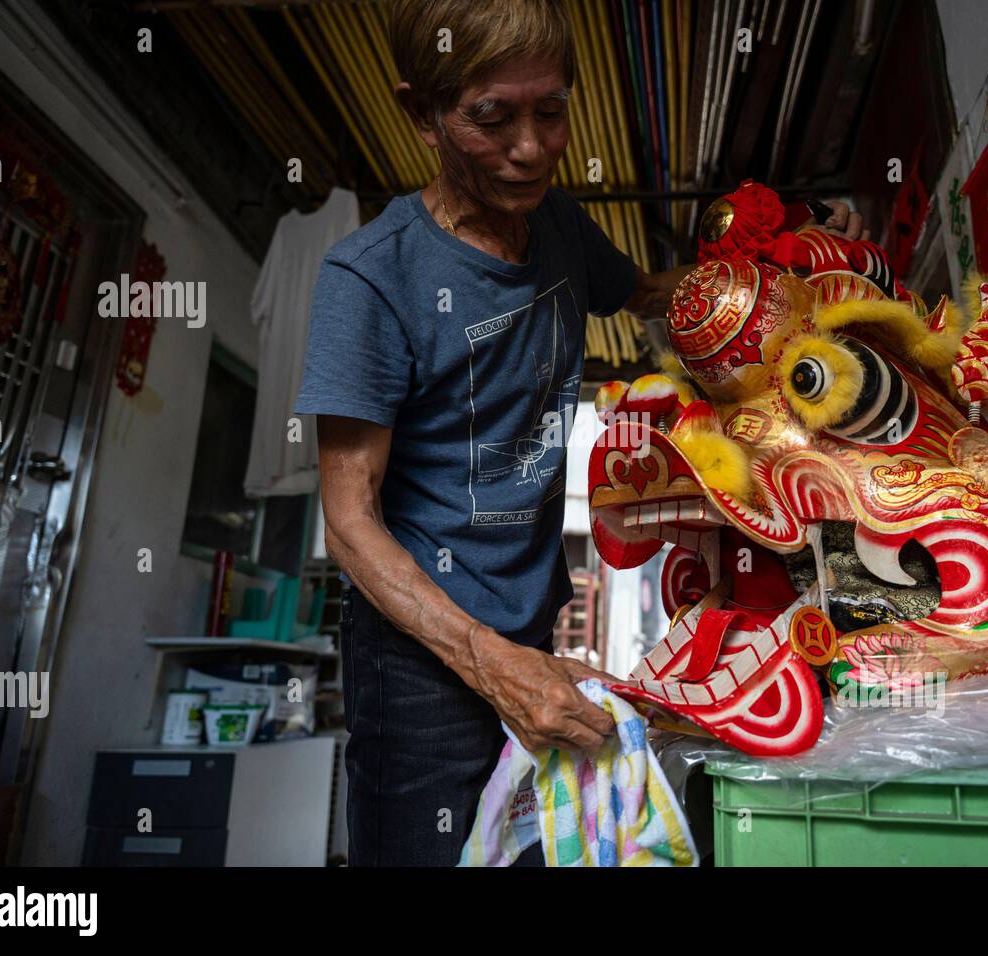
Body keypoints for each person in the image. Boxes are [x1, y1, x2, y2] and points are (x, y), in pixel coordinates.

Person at [294, 0, 863, 867]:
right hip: (419, 656)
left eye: (550, 112)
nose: (530, 148)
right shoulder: (371, 278)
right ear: (422, 115)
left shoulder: (556, 225)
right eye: (491, 118)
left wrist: (785, 258)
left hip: (527, 624)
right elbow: (349, 521)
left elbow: (646, 293)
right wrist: (490, 665)